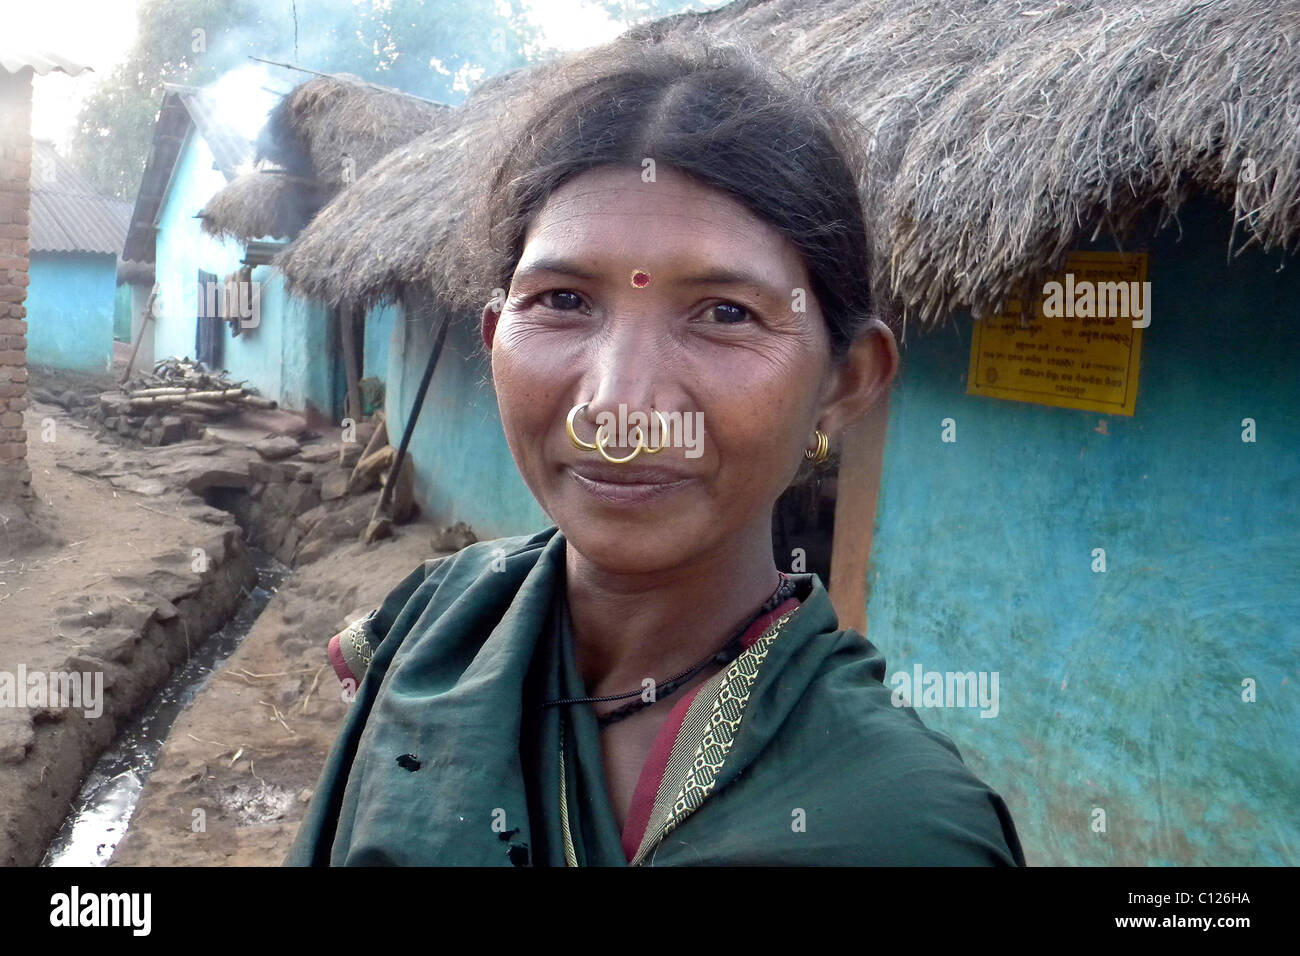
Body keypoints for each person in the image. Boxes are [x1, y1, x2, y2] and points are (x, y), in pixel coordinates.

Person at [286, 37, 1025, 867]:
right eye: (563, 301)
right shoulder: (435, 629)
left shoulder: (903, 829)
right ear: (495, 341)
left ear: (845, 382)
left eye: (724, 314)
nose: (619, 407)